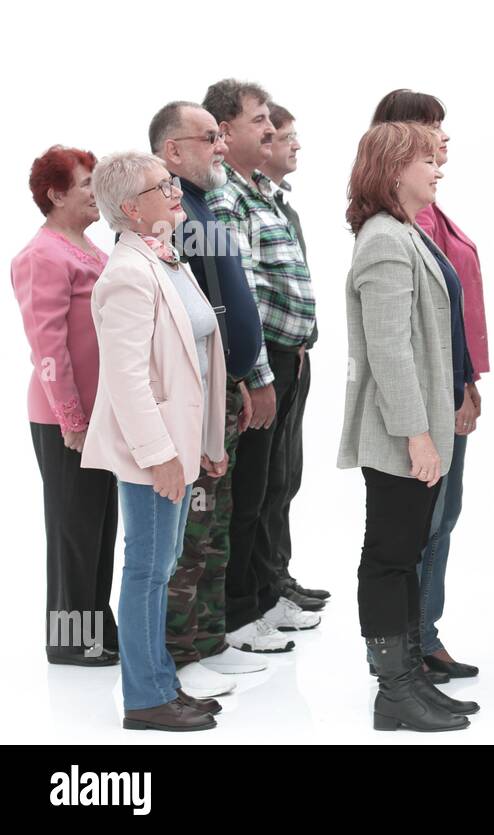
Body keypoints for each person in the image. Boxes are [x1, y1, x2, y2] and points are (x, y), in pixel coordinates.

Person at [338, 121, 476, 732]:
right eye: (427, 160)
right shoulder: (384, 241)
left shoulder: (403, 233)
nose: (438, 167)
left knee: (404, 551)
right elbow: (389, 349)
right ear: (394, 170)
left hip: (416, 429)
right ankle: (392, 689)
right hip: (400, 434)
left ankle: (410, 679)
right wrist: (417, 433)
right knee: (391, 558)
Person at [83, 151, 227, 730]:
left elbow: (194, 358)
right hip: (152, 451)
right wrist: (161, 455)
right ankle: (145, 698)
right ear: (128, 208)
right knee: (147, 567)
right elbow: (126, 379)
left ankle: (162, 679)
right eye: (160, 186)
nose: (174, 193)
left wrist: (206, 442)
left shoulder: (167, 259)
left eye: (171, 184)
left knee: (161, 564)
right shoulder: (126, 274)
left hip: (179, 443)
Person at [148, 101, 276, 691]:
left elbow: (229, 297)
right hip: (194, 396)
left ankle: (207, 638)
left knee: (216, 522)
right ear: (173, 150)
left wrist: (246, 375)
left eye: (222, 136)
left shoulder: (204, 207)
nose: (221, 145)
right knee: (193, 529)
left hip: (223, 388)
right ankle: (178, 653)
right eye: (208, 138)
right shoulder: (166, 216)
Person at [371, 89, 486, 680]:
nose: (441, 138)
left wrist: (469, 381)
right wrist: (455, 389)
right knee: (423, 522)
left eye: (441, 125)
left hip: (450, 386)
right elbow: (404, 334)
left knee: (441, 516)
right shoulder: (399, 227)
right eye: (426, 127)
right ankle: (411, 643)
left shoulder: (431, 213)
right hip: (430, 395)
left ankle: (422, 633)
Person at [202, 79, 321, 646]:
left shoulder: (258, 191)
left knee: (270, 485)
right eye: (259, 121)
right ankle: (240, 617)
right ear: (224, 132)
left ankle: (264, 599)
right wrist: (259, 376)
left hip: (281, 357)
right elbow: (240, 290)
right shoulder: (227, 197)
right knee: (247, 496)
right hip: (262, 359)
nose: (271, 131)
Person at [13, 145, 119, 666]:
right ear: (56, 195)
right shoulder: (42, 256)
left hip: (102, 414)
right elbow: (47, 346)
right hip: (66, 419)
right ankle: (70, 640)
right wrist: (71, 419)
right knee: (73, 531)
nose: (95, 193)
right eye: (84, 186)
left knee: (99, 527)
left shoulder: (90, 248)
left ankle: (99, 628)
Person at [261, 101, 329, 612]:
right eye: (284, 136)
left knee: (287, 472)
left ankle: (278, 573)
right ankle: (263, 586)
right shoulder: (237, 206)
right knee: (265, 478)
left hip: (296, 356)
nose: (294, 144)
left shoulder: (285, 207)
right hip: (267, 360)